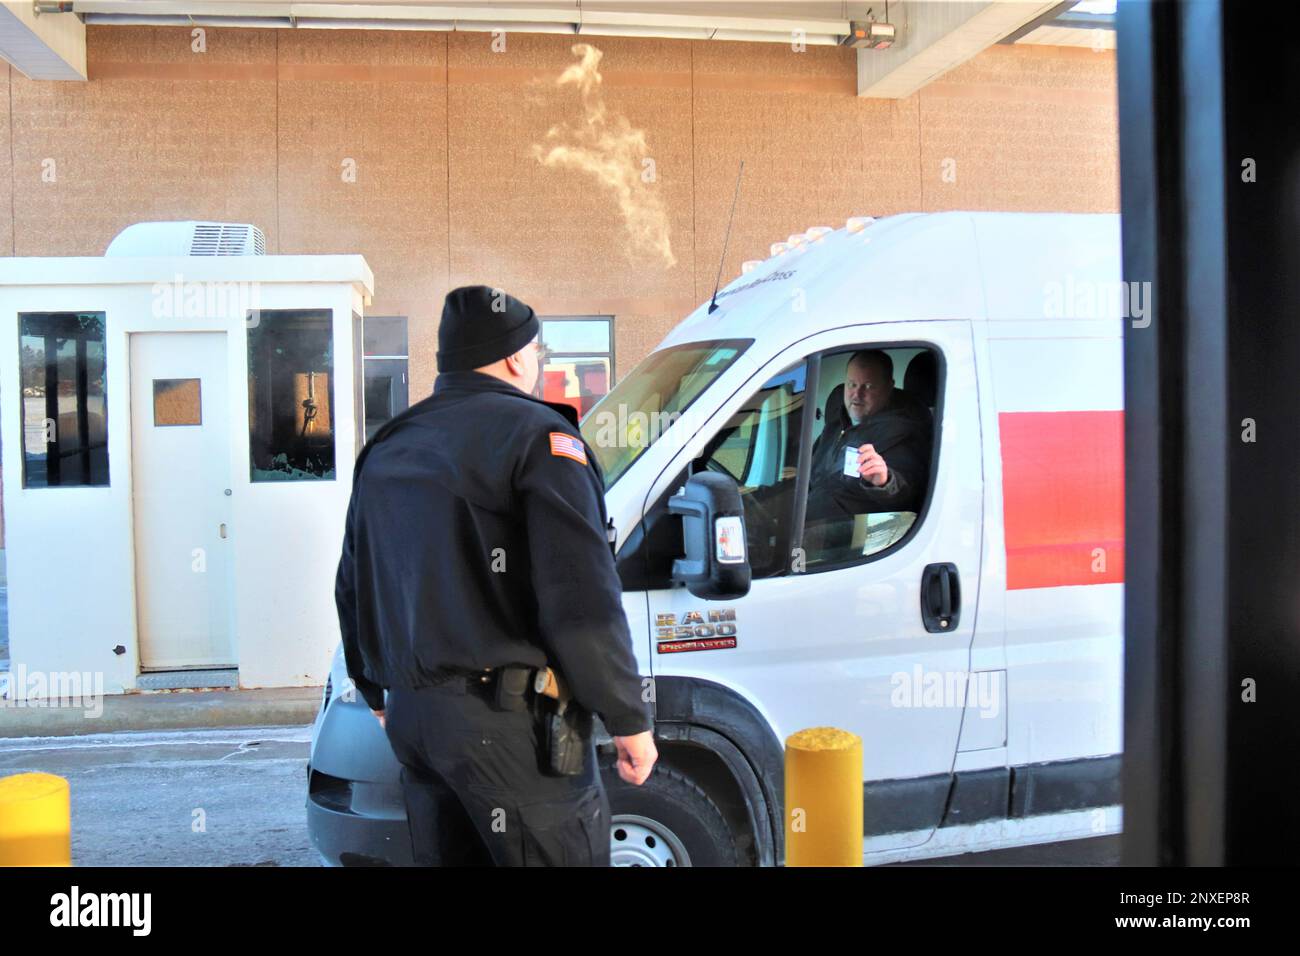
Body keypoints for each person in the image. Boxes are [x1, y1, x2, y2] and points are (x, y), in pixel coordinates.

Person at [334, 285, 657, 866]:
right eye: (539, 349)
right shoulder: (540, 439)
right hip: (509, 735)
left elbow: (353, 584)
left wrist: (375, 690)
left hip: (415, 722)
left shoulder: (390, 445)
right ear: (515, 356)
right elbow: (580, 598)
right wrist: (628, 716)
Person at [804, 349, 932, 521]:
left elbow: (908, 495)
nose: (857, 394)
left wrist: (884, 482)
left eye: (869, 386)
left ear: (889, 387)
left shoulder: (903, 434)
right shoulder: (834, 427)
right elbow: (808, 477)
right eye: (852, 384)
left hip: (843, 538)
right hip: (805, 522)